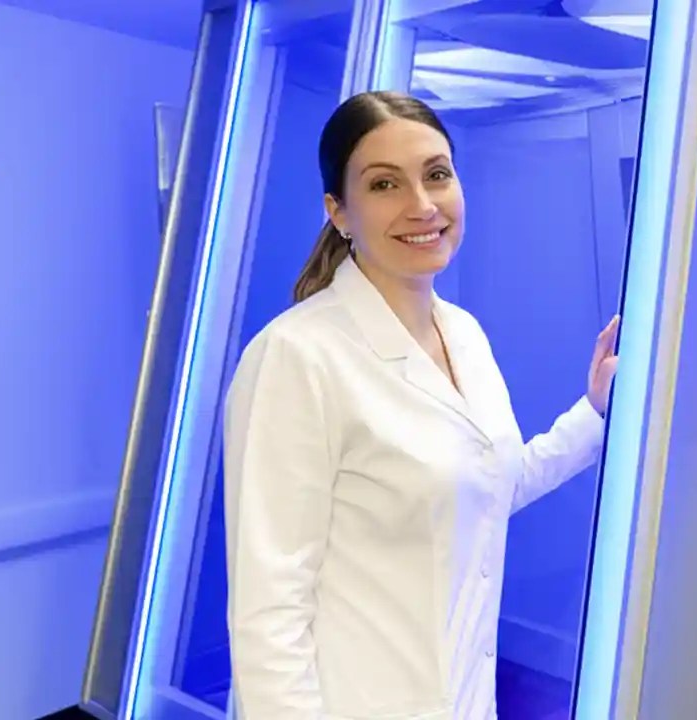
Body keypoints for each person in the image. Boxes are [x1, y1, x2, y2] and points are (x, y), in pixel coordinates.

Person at [222, 90, 620, 720]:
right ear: (338, 212)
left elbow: (485, 487)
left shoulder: (463, 333)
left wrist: (593, 415)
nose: (423, 205)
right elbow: (268, 614)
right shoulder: (295, 356)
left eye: (436, 175)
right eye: (384, 184)